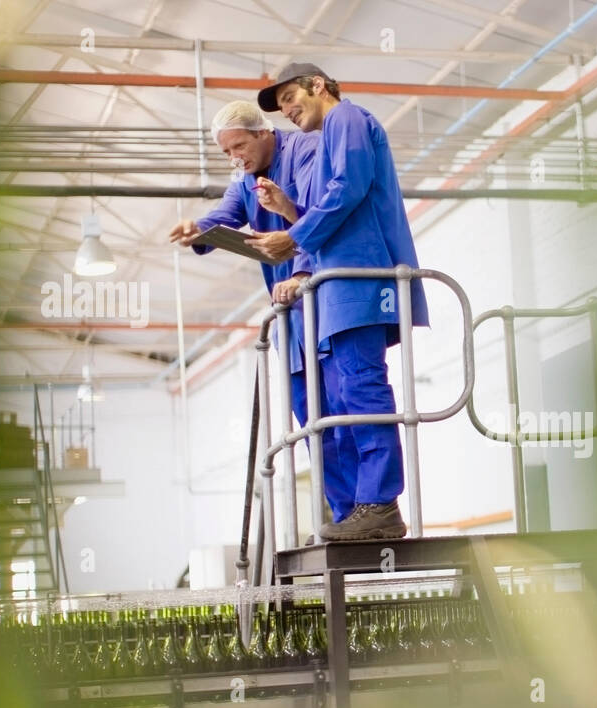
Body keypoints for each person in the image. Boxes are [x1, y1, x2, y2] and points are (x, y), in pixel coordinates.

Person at [246, 63, 429, 542]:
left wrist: (294, 235)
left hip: (359, 276)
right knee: (346, 398)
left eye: (290, 97)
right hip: (338, 285)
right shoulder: (327, 138)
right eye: (281, 104)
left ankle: (380, 504)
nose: (286, 110)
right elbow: (331, 207)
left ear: (319, 86)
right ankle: (362, 509)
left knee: (364, 390)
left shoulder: (346, 118)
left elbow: (348, 189)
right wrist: (290, 216)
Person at [168, 101, 347, 522]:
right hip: (291, 315)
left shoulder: (306, 152)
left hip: (325, 296)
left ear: (264, 132)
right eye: (227, 152)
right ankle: (344, 514)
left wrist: (302, 267)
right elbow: (222, 218)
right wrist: (199, 230)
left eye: (240, 146)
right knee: (312, 421)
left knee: (345, 407)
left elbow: (321, 217)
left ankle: (370, 507)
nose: (235, 158)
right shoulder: (245, 180)